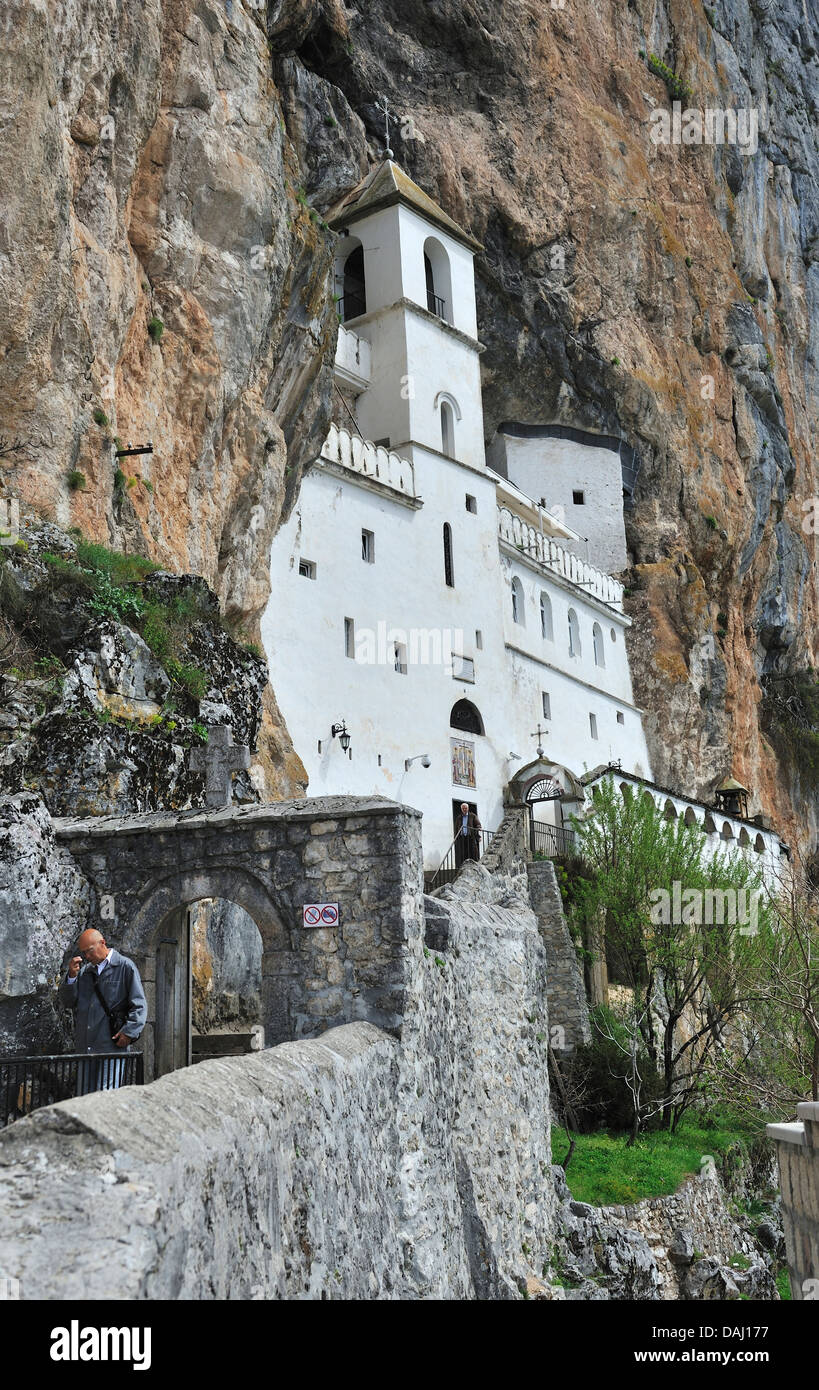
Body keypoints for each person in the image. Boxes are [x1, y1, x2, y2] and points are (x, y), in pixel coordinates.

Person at [59, 929, 147, 1096]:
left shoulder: (125, 966)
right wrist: (71, 977)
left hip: (111, 1046)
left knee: (106, 1096)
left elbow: (139, 1004)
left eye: (89, 950)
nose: (87, 956)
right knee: (84, 1097)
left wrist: (128, 1033)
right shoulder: (85, 972)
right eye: (84, 952)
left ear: (102, 943)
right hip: (86, 1047)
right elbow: (69, 1002)